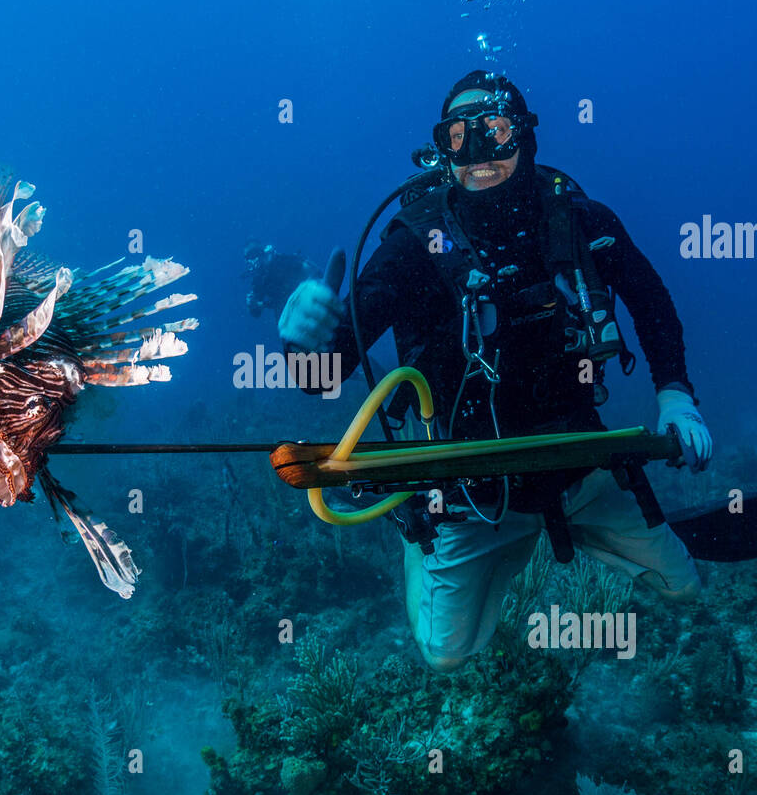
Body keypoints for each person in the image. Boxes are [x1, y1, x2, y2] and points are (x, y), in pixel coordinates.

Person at [277, 71, 714, 673]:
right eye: (459, 137)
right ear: (442, 149)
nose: (479, 155)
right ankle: (421, 548)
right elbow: (322, 378)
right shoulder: (412, 245)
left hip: (579, 461)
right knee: (448, 655)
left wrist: (675, 397)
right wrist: (304, 340)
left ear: (526, 136)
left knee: (685, 589)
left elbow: (652, 302)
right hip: (469, 488)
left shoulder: (580, 220)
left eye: (496, 131)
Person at [242, 240, 319, 320]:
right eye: (249, 257)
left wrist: (263, 304)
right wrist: (252, 306)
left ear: (262, 252)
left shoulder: (283, 262)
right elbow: (256, 313)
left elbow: (309, 270)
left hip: (310, 307)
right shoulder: (259, 280)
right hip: (289, 321)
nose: (254, 259)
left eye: (255, 253)